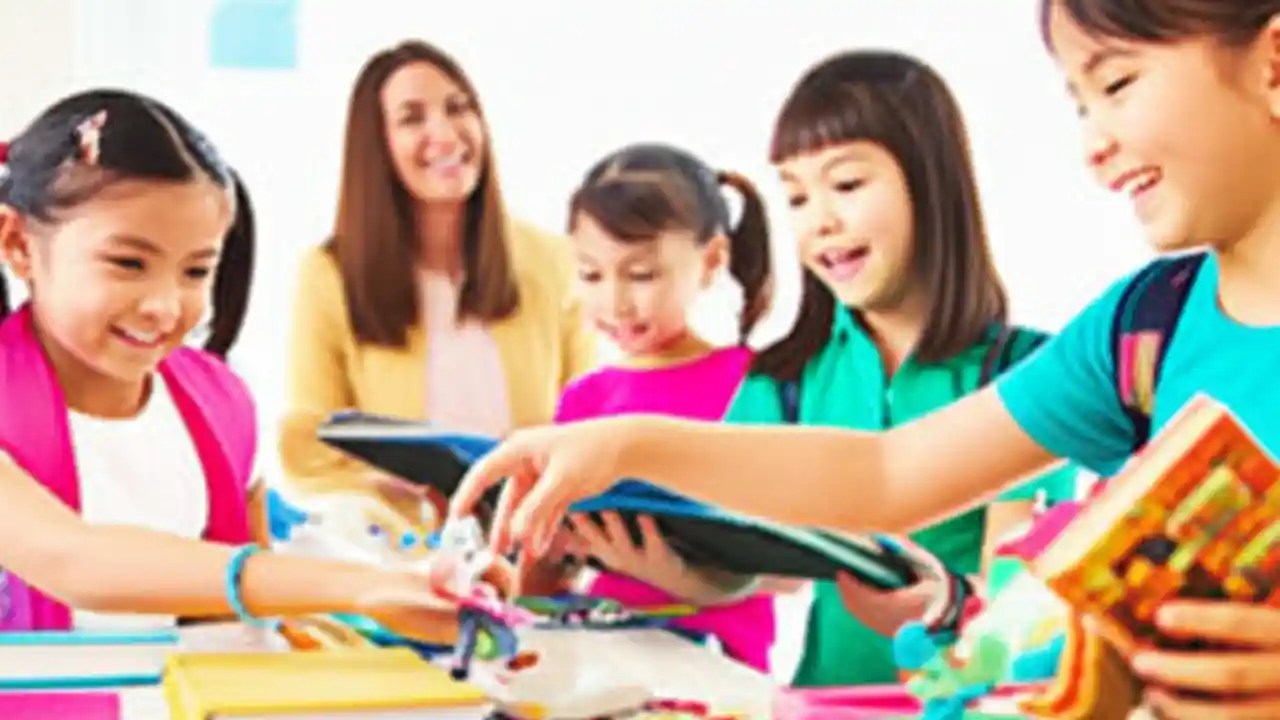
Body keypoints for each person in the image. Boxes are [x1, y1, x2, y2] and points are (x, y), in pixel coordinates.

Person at [451, 1, 1280, 715]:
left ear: (1272, 60)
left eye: (1118, 84)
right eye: (1078, 104)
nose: (1093, 146)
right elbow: (889, 473)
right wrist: (623, 444)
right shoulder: (1144, 327)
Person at [0, 89, 506, 638]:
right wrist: (355, 587)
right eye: (128, 263)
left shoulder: (220, 404)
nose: (165, 306)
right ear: (18, 244)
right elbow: (75, 561)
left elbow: (244, 608)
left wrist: (398, 590)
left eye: (195, 271)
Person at [720, 49, 1078, 687]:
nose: (819, 220)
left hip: (972, 702)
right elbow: (752, 564)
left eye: (847, 185)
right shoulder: (783, 379)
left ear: (930, 182)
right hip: (821, 702)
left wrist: (942, 601)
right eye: (796, 197)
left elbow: (1018, 590)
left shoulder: (1028, 372)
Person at [280, 40, 594, 531]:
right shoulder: (330, 274)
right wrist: (410, 496)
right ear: (377, 144)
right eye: (412, 118)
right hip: (404, 553)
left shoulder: (552, 260)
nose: (444, 134)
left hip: (535, 544)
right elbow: (307, 444)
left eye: (457, 108)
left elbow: (586, 421)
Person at [542, 143, 776, 672]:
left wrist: (678, 577)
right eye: (591, 275)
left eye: (641, 275)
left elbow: (794, 567)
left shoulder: (752, 384)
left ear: (711, 260)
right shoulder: (584, 400)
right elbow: (546, 573)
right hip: (600, 662)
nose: (615, 303)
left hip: (718, 672)